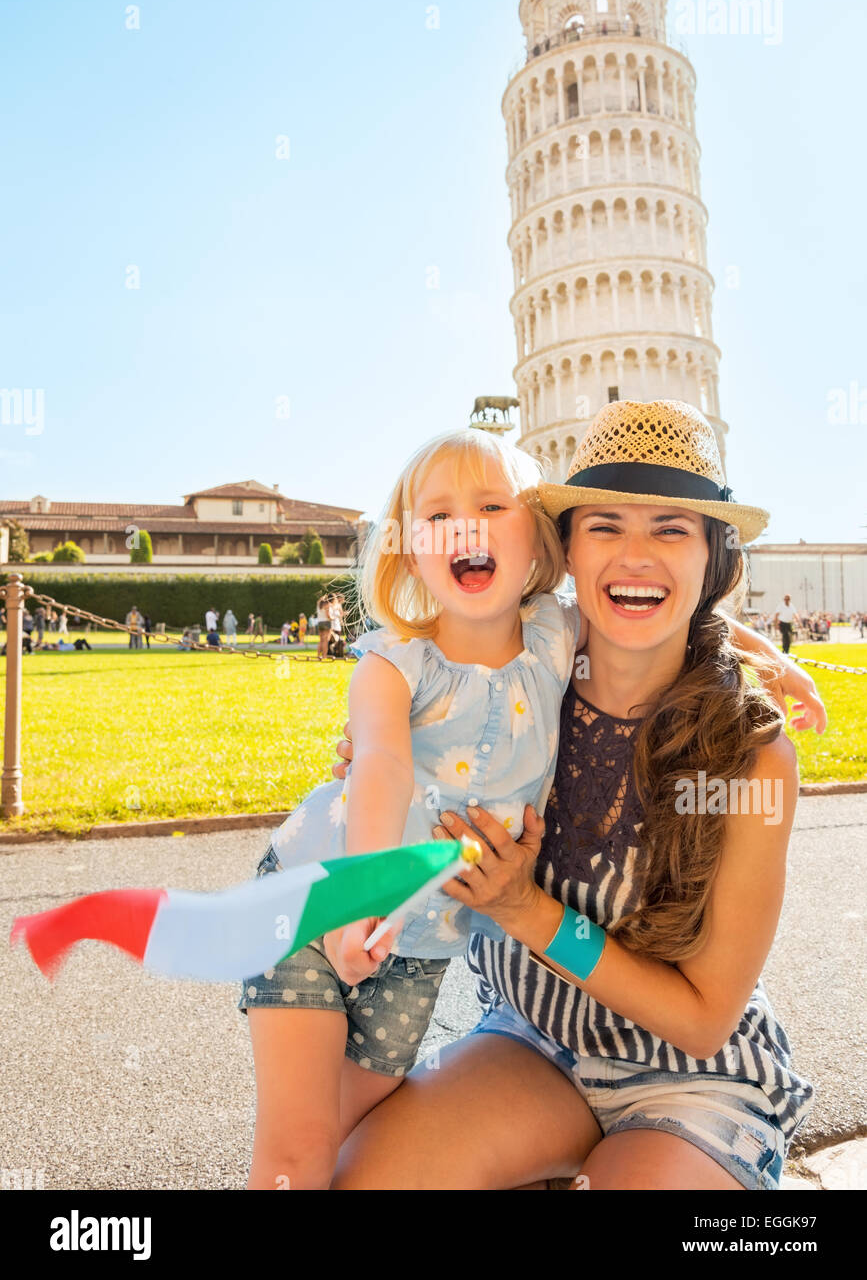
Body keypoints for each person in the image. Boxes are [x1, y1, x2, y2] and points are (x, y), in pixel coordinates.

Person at [237, 412, 822, 1192]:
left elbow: (702, 1019)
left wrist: (528, 913)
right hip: (532, 1042)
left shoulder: (750, 757)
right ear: (566, 549)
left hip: (693, 1078)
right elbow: (400, 740)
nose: (635, 555)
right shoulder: (529, 685)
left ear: (714, 558)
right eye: (605, 525)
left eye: (672, 530)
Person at [315, 592, 334, 661]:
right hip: (326, 623)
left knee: (321, 640)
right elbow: (328, 615)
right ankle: (324, 656)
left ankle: (318, 655)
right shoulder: (327, 604)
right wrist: (333, 618)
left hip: (320, 623)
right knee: (325, 641)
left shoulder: (319, 604)